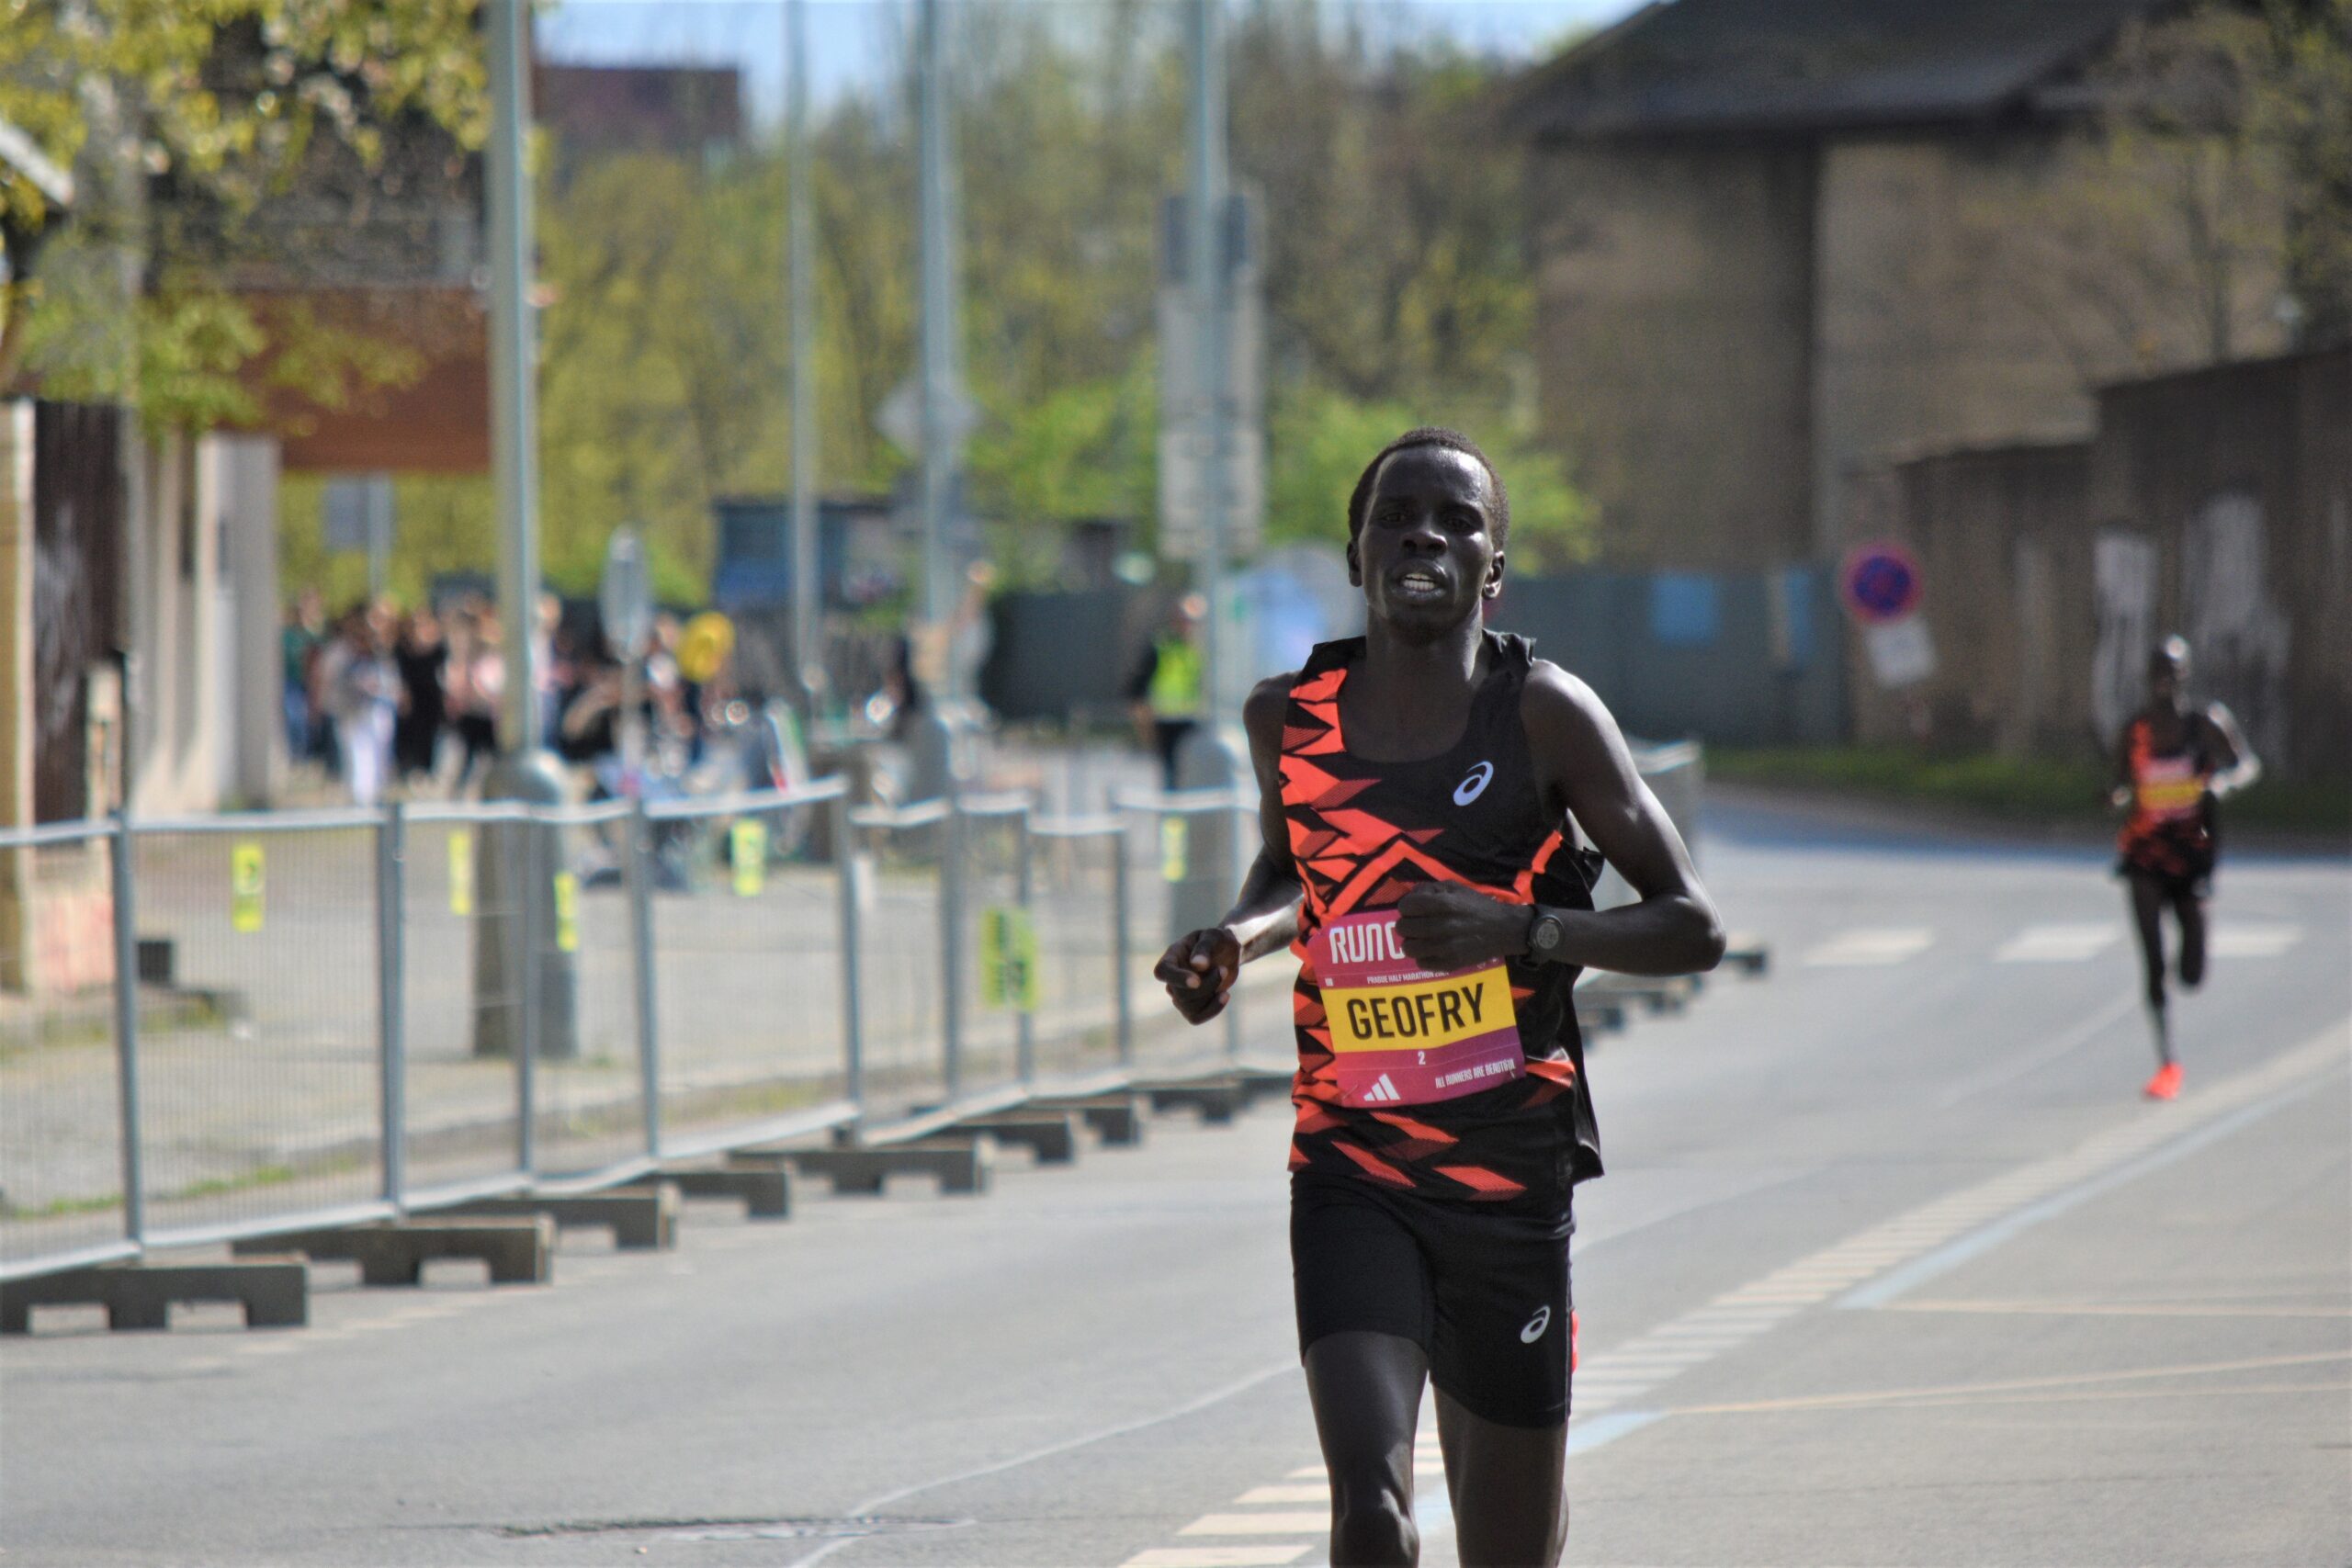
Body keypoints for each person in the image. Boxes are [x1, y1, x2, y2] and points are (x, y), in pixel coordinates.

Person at [1154, 428, 1724, 1568]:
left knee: (1506, 1551)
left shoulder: (1542, 714)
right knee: (1370, 1513)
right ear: (1358, 554)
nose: (1424, 531)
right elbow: (1292, 871)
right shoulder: (1289, 720)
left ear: (1492, 570)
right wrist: (1237, 937)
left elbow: (1691, 925)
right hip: (1351, 1161)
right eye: (1396, 515)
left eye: (1458, 519)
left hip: (1507, 1173)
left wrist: (1525, 929)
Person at [2111, 635, 2259, 1100]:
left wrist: (2224, 785)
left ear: (2184, 675)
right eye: (2157, 670)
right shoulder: (2135, 730)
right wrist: (2114, 797)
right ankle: (2167, 1062)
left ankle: (2190, 954)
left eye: (2172, 671)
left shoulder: (2206, 724)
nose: (2164, 680)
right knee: (2152, 961)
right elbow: (2120, 782)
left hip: (2192, 852)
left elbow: (2247, 765)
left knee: (2191, 971)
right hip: (2145, 853)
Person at [318, 604, 399, 806]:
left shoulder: (380, 653)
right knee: (355, 756)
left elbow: (391, 683)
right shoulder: (341, 652)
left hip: (376, 711)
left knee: (378, 757)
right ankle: (360, 801)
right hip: (350, 711)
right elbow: (328, 679)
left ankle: (374, 800)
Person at [1126, 593, 1207, 789]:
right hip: (1166, 720)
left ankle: (1187, 816)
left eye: (1192, 622)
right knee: (1171, 774)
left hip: (1191, 720)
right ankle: (1173, 818)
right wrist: (1143, 723)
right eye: (1184, 620)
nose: (1188, 626)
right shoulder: (1161, 646)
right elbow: (1137, 688)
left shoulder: (1197, 649)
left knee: (1193, 772)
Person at [392, 606, 447, 785]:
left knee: (430, 737)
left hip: (431, 699)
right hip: (411, 701)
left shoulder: (439, 649)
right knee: (409, 736)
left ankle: (427, 772)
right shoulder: (401, 649)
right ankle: (408, 771)